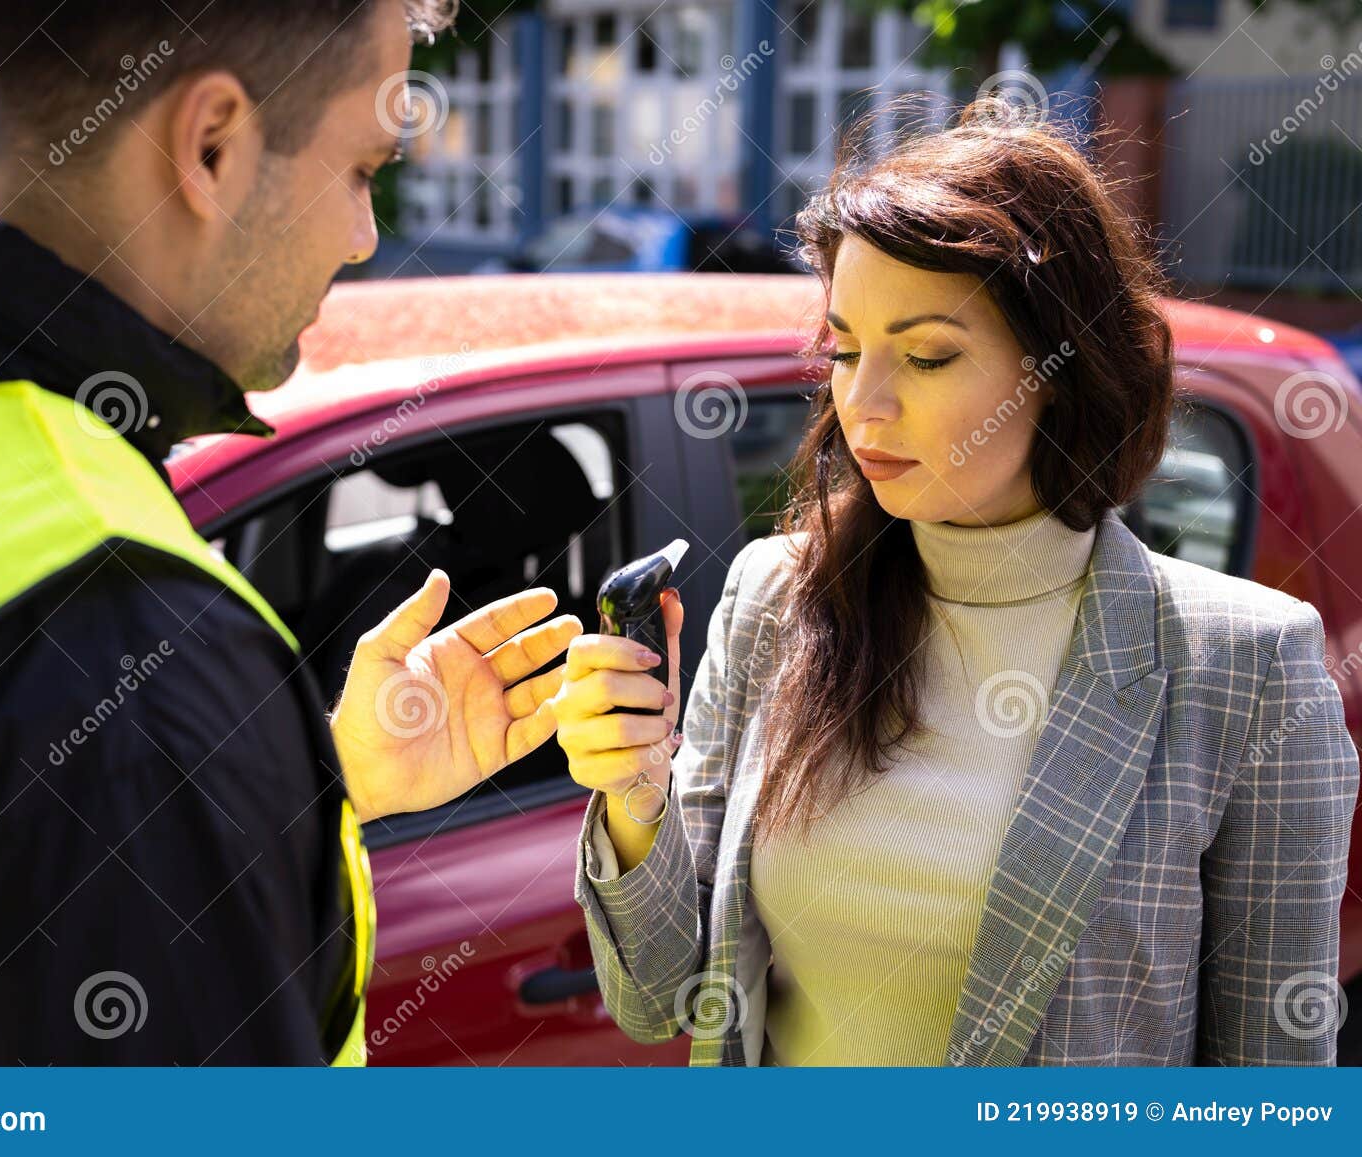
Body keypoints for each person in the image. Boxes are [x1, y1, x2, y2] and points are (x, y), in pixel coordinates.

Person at [0, 0, 586, 1065]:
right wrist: (211, 784)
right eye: (360, 170)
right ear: (210, 146)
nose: (364, 236)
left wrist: (312, 780)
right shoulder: (136, 675)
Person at [555, 97, 1360, 1066]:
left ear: (1057, 367)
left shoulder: (1247, 663)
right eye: (845, 350)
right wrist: (633, 796)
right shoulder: (776, 597)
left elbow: (1269, 1083)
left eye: (928, 354)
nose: (864, 402)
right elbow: (658, 998)